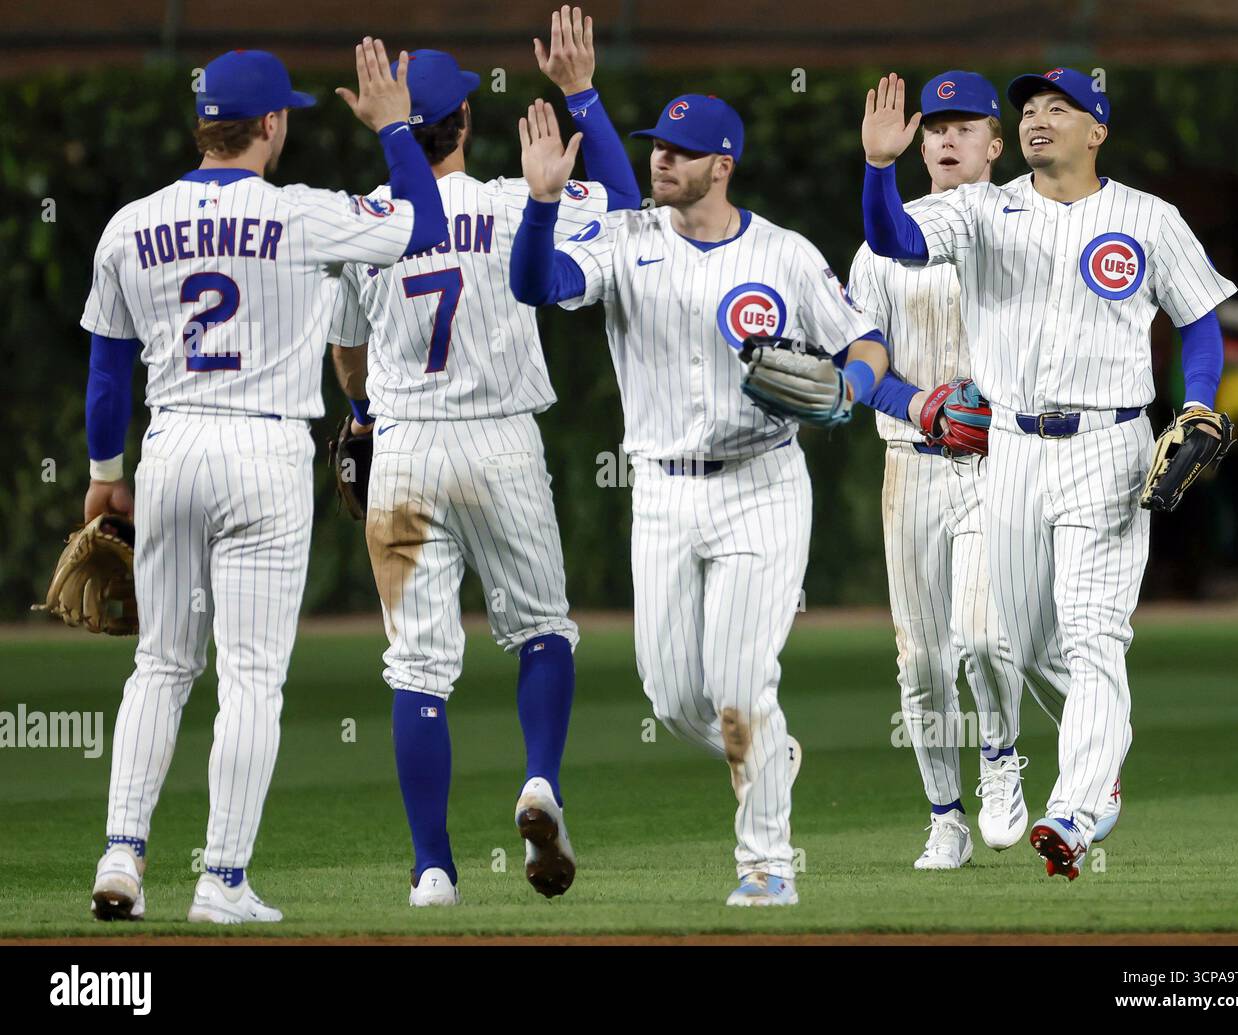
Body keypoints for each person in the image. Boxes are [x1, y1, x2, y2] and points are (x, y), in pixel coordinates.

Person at [84, 40, 449, 922]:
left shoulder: (130, 224)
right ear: (273, 124)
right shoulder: (303, 214)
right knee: (249, 675)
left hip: (169, 446)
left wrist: (104, 479)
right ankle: (222, 880)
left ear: (202, 125)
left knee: (161, 663)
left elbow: (104, 377)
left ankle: (122, 858)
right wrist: (397, 128)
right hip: (265, 452)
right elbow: (426, 228)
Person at [511, 93, 890, 905]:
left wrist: (852, 387)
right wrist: (542, 205)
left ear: (723, 164)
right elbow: (536, 285)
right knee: (673, 694)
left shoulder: (784, 254)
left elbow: (865, 337)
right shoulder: (625, 240)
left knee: (742, 687)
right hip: (661, 492)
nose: (661, 160)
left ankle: (767, 864)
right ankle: (771, 756)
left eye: (681, 151)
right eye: (656, 147)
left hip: (761, 484)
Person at [860, 68, 1235, 878]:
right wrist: (881, 168)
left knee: (1096, 631)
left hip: (1109, 441)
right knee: (1017, 642)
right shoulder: (981, 209)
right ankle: (1101, 764)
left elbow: (1200, 315)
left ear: (1096, 130)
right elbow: (896, 241)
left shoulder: (1146, 219)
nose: (1036, 120)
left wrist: (1198, 402)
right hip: (1014, 446)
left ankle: (1074, 807)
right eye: (1028, 109)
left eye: (1057, 109)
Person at [327, 8, 640, 906]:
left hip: (407, 450)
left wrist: (358, 417)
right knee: (543, 631)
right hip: (503, 442)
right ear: (464, 123)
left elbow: (347, 350)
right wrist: (580, 96)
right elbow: (625, 210)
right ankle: (540, 776)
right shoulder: (514, 201)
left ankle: (432, 869)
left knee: (418, 669)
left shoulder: (367, 221)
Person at [849, 71, 1035, 870]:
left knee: (987, 638)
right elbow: (861, 361)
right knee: (922, 662)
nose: (949, 139)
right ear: (919, 142)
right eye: (938, 127)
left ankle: (1000, 762)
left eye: (968, 126)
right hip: (912, 464)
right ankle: (944, 817)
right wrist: (915, 402)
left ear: (998, 144)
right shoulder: (880, 245)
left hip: (1000, 465)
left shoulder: (1029, 228)